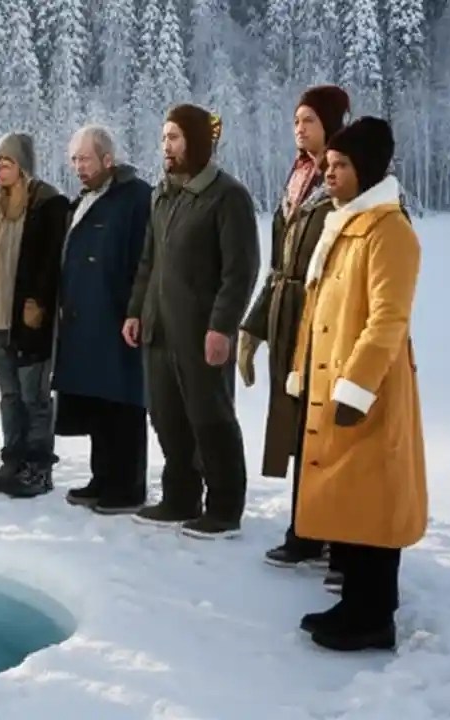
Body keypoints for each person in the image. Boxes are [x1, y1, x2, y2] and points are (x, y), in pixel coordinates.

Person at [285, 116, 426, 652]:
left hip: (371, 390)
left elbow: (388, 319)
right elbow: (317, 309)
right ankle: (355, 604)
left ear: (365, 169)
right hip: (335, 382)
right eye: (328, 165)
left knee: (373, 501)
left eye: (340, 166)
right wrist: (304, 370)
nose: (329, 175)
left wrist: (356, 386)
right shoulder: (345, 225)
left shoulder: (390, 231)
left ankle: (374, 615)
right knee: (352, 500)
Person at [124, 104, 260, 538]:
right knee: (167, 416)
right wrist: (135, 311)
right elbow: (149, 262)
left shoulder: (226, 196)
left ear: (198, 142)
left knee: (210, 417)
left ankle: (224, 507)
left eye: (175, 137)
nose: (166, 146)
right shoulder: (162, 194)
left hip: (202, 332)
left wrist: (222, 326)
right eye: (164, 137)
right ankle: (180, 497)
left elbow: (241, 271)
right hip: (159, 329)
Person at [238, 86, 351, 582]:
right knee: (299, 428)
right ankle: (307, 529)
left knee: (327, 430)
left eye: (308, 120)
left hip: (321, 322)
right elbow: (278, 268)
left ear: (330, 124)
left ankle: (342, 540)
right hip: (288, 317)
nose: (299, 128)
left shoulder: (347, 184)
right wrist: (254, 327)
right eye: (295, 121)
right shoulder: (298, 179)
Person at [54, 125, 152, 514]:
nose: (79, 166)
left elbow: (144, 260)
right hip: (86, 318)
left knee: (122, 402)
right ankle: (103, 477)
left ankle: (128, 485)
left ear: (108, 160)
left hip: (118, 316)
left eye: (86, 159)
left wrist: (136, 309)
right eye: (75, 159)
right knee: (97, 401)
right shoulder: (88, 198)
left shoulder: (135, 198)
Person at [0, 132, 70, 498]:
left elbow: (52, 262)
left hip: (29, 318)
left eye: (8, 162)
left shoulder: (48, 203)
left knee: (35, 397)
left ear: (23, 166)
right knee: (9, 396)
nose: (0, 169)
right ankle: (13, 461)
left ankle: (38, 467)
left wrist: (40, 303)